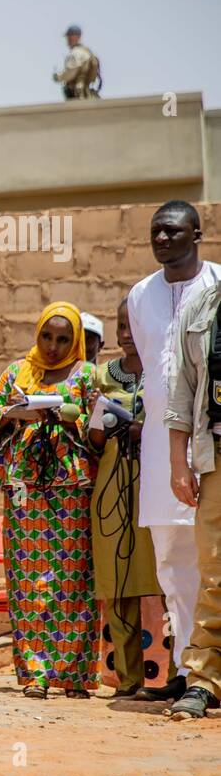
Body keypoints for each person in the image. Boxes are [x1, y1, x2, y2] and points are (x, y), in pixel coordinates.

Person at [0, 301, 100, 699]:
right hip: (25, 489)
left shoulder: (86, 375)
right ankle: (36, 673)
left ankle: (74, 674)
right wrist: (15, 415)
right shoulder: (18, 372)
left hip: (70, 489)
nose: (52, 345)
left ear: (75, 340)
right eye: (47, 336)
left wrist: (74, 416)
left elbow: (102, 428)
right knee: (29, 581)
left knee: (73, 580)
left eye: (63, 339)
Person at [127, 200, 221, 702]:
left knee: (214, 557)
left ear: (197, 233)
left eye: (172, 231)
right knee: (171, 559)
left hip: (211, 442)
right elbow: (155, 370)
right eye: (156, 233)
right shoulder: (140, 294)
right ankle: (188, 667)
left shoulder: (218, 286)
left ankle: (212, 668)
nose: (162, 239)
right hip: (162, 445)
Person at [89, 299, 161, 697]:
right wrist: (103, 420)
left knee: (166, 576)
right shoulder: (103, 375)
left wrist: (144, 430)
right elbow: (94, 440)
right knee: (117, 580)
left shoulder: (165, 371)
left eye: (134, 324)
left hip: (158, 482)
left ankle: (176, 677)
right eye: (121, 326)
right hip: (114, 484)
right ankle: (129, 679)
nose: (127, 334)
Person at [163, 271, 221, 719]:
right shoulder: (203, 306)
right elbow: (181, 388)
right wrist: (179, 461)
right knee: (215, 569)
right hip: (215, 453)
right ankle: (203, 679)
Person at [54, 24, 101, 100]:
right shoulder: (86, 52)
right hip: (85, 93)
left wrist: (58, 77)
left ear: (77, 37)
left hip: (77, 94)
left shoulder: (76, 53)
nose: (68, 39)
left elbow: (70, 73)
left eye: (70, 36)